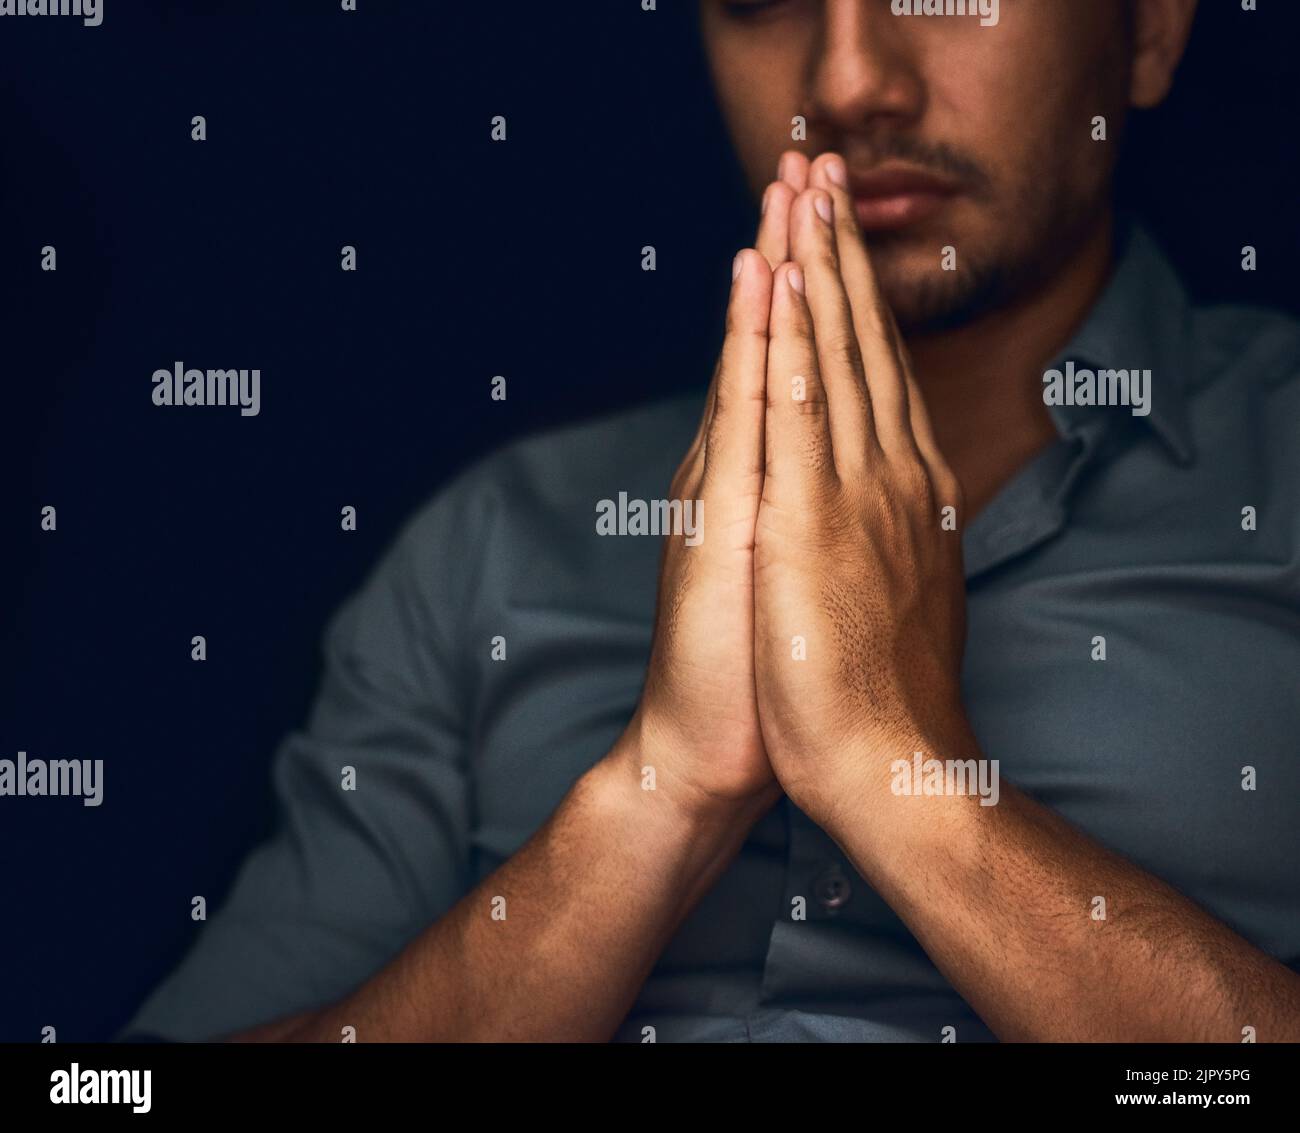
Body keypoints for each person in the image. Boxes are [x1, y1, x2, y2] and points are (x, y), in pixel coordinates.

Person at [123, 0, 1300, 1042]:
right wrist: (660, 794)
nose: (848, 82)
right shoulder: (493, 542)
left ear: (1149, 27)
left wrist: (898, 778)